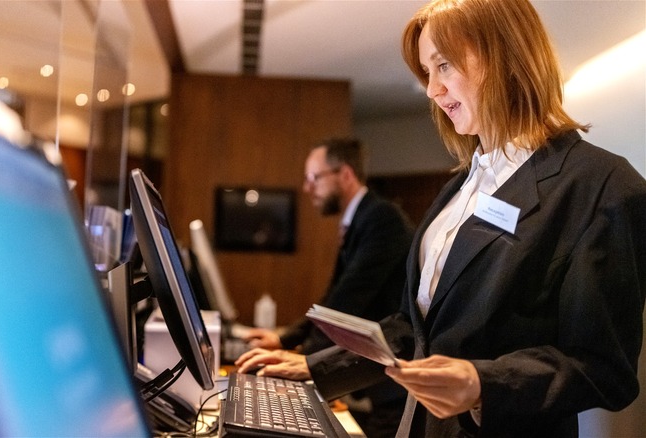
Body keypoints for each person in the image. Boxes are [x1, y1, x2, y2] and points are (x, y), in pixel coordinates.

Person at [236, 0, 646, 437]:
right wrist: (318, 367)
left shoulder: (603, 186)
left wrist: (481, 384)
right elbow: (415, 327)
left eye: (443, 65)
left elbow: (604, 368)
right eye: (427, 72)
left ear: (505, 53)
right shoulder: (460, 187)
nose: (432, 89)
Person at [242, 137, 414, 436]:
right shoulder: (360, 217)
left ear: (345, 175)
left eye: (314, 178)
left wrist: (304, 361)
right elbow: (333, 296)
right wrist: (284, 340)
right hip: (376, 376)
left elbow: (348, 300)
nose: (308, 188)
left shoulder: (381, 219)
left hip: (393, 382)